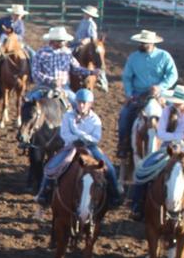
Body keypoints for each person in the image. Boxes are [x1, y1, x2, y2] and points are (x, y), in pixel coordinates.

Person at [130, 85, 184, 222]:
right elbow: (161, 133)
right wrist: (181, 136)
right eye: (176, 101)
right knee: (142, 171)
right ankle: (136, 206)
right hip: (167, 149)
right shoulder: (167, 111)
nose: (177, 104)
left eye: (179, 102)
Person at [33, 88, 121, 218]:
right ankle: (43, 195)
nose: (81, 105)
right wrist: (75, 139)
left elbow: (96, 137)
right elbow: (64, 134)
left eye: (84, 103)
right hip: (71, 146)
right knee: (51, 167)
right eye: (79, 102)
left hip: (90, 147)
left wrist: (81, 136)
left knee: (110, 169)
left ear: (90, 104)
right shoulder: (68, 116)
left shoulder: (95, 119)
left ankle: (115, 197)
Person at [117, 30, 178, 161]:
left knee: (175, 115)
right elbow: (127, 77)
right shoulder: (133, 57)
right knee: (124, 115)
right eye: (140, 42)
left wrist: (161, 87)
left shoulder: (164, 56)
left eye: (143, 42)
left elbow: (173, 75)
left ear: (151, 43)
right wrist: (129, 93)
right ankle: (123, 144)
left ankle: (174, 144)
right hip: (139, 93)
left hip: (161, 93)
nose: (141, 44)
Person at [25, 26, 99, 108]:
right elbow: (35, 73)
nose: (65, 42)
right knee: (27, 102)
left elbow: (76, 69)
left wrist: (91, 72)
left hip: (64, 88)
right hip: (43, 87)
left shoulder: (67, 53)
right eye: (63, 40)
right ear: (55, 41)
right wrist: (52, 80)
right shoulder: (41, 53)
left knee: (78, 105)